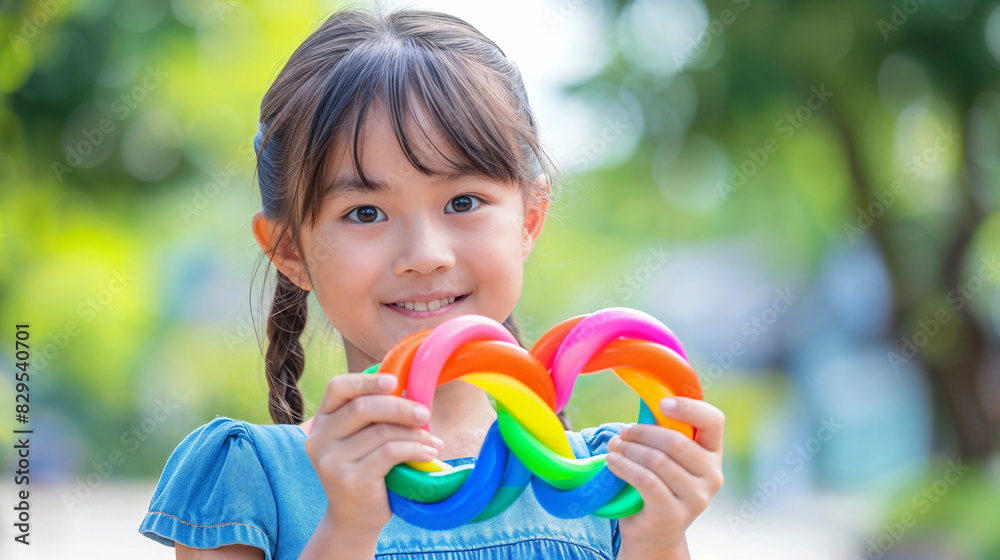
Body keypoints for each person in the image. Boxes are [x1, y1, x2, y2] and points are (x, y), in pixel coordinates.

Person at [138, 4, 725, 559]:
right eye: (365, 213)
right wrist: (347, 526)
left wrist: (659, 539)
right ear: (290, 250)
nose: (425, 255)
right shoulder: (250, 477)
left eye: (463, 201)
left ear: (529, 219)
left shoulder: (613, 480)